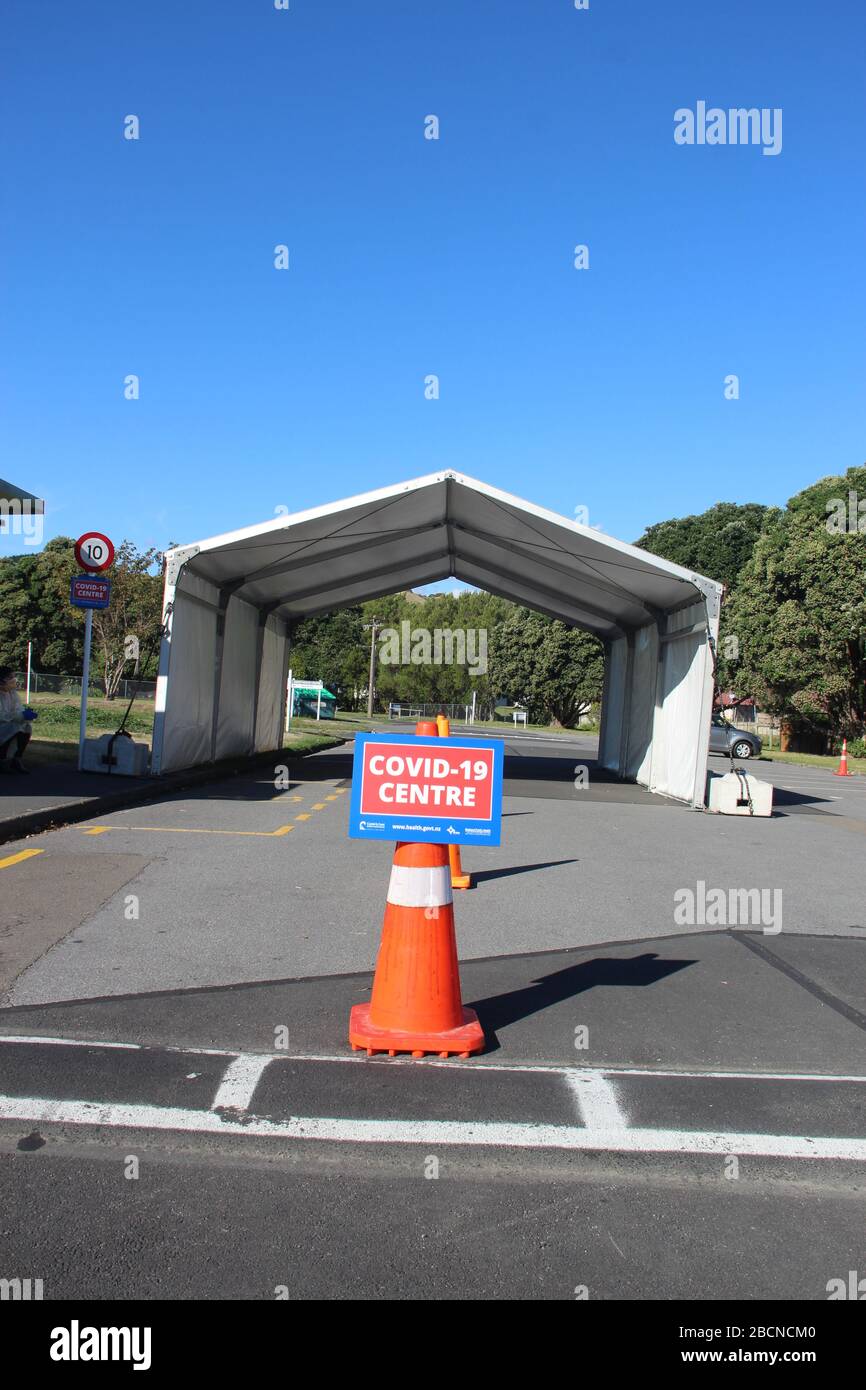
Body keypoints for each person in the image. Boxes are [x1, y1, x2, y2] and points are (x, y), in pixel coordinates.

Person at [0, 666, 33, 774]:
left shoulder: (12, 694)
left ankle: (16, 759)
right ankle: (2, 759)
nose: (14, 679)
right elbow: (2, 715)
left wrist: (26, 714)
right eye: (10, 677)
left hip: (8, 724)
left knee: (26, 727)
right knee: (14, 728)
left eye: (14, 676)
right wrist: (18, 716)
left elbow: (18, 708)